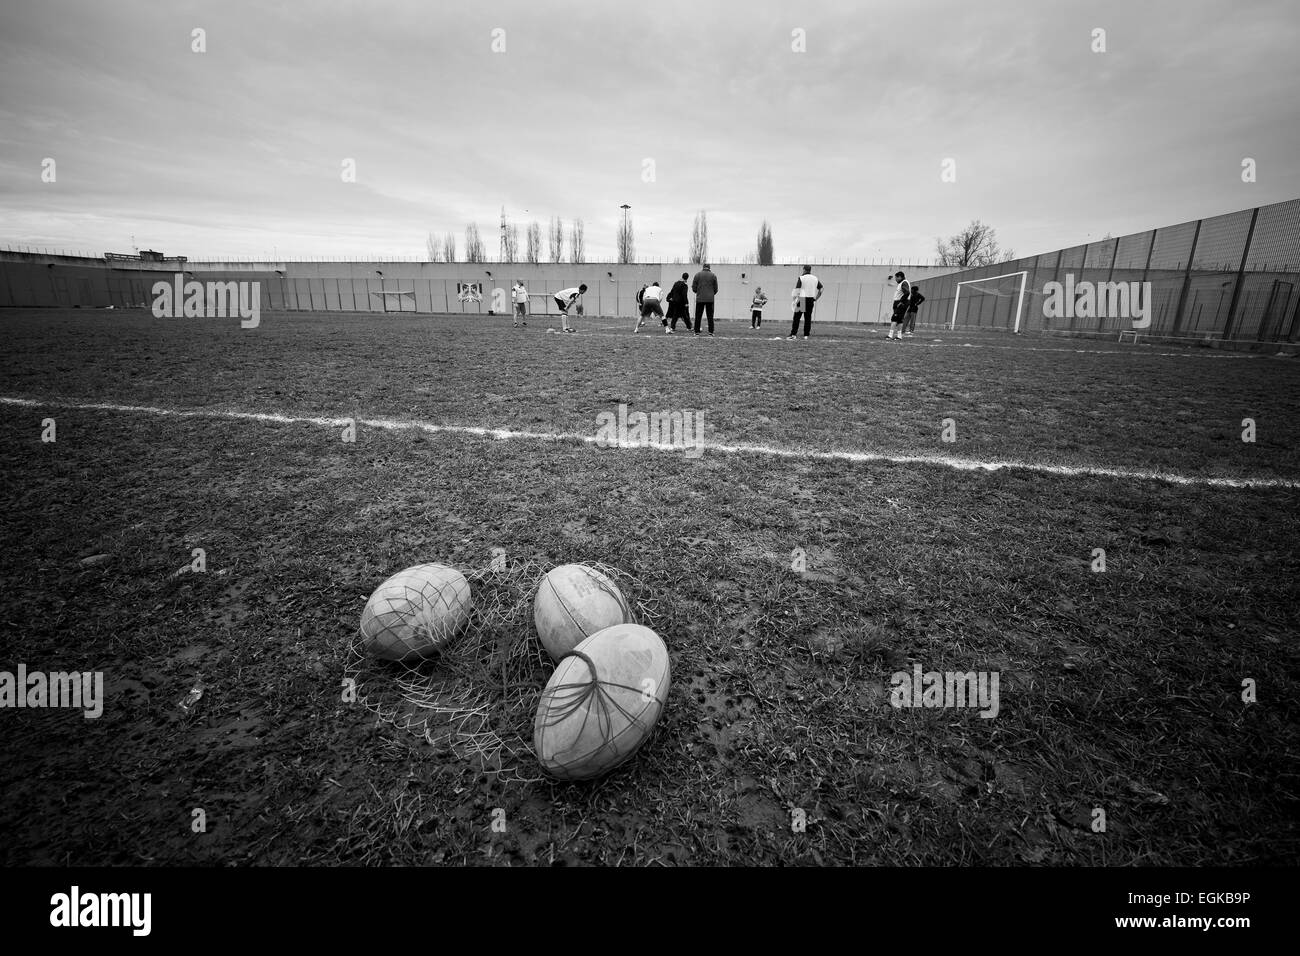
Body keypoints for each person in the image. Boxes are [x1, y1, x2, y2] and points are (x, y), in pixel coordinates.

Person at [788, 264, 823, 339]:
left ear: (804, 269)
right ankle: (806, 335)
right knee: (808, 318)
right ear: (810, 270)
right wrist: (816, 298)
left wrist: (794, 300)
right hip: (811, 300)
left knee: (797, 318)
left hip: (802, 299)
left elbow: (797, 290)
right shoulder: (815, 278)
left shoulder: (801, 278)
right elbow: (821, 289)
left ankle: (793, 334)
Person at [691, 263, 719, 336]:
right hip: (710, 299)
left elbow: (694, 287)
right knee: (710, 316)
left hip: (700, 298)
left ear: (703, 267)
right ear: (709, 268)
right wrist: (711, 294)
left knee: (698, 316)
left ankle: (696, 331)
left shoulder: (697, 275)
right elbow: (716, 288)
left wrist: (698, 292)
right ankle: (711, 332)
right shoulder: (713, 275)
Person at [887, 271, 911, 340]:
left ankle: (890, 335)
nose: (895, 279)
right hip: (902, 303)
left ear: (900, 277)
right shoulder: (902, 283)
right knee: (899, 319)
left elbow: (907, 293)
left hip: (901, 303)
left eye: (896, 278)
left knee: (894, 318)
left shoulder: (904, 283)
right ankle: (899, 336)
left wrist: (901, 302)